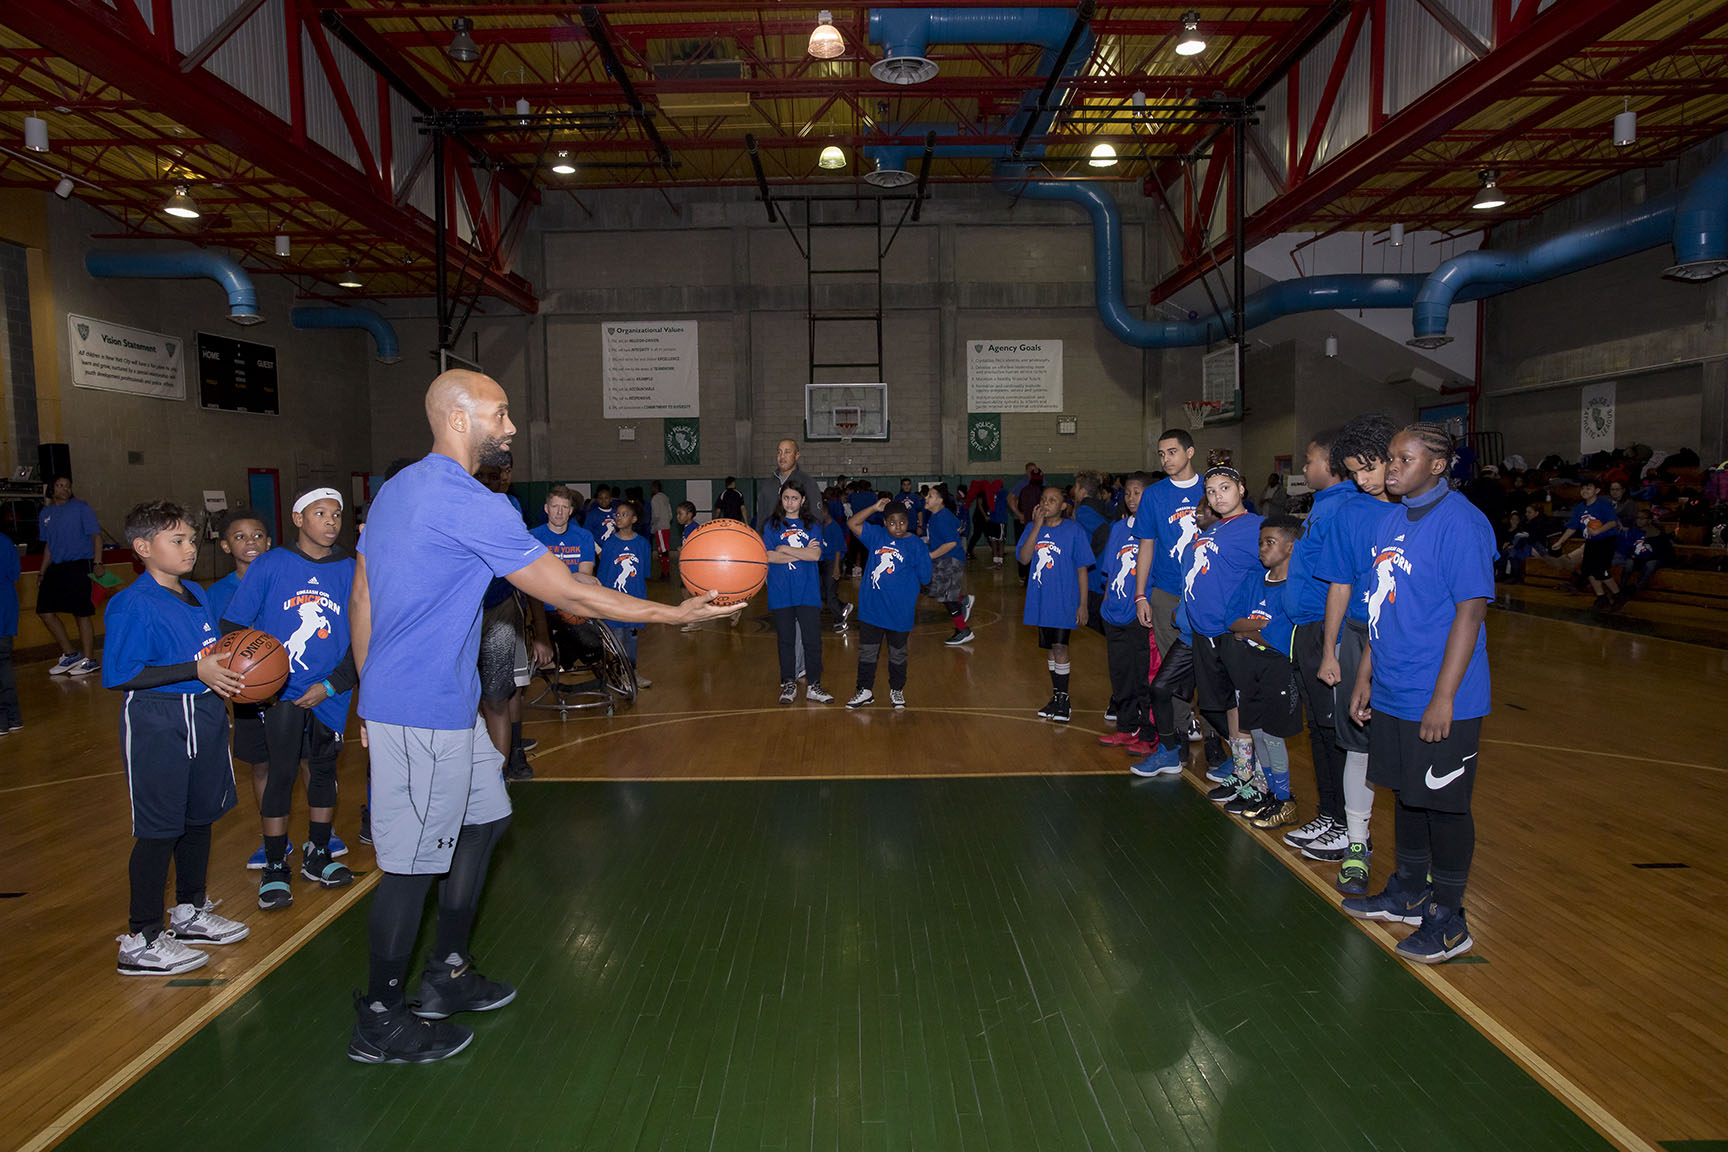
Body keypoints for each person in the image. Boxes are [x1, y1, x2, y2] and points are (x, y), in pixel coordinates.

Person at [348, 370, 734, 1063]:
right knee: (409, 867)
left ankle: (447, 974)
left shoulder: (395, 490)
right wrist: (674, 613)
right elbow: (567, 596)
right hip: (418, 708)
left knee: (488, 819)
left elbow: (363, 599)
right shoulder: (473, 502)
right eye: (500, 414)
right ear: (459, 419)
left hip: (437, 702)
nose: (511, 428)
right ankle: (378, 1017)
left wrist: (367, 692)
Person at [1342, 423, 1495, 965]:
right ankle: (1408, 890)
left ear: (1436, 465)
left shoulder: (1462, 524)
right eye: (1389, 459)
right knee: (1407, 794)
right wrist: (1365, 676)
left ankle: (1451, 919)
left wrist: (1444, 698)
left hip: (1440, 693)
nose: (1390, 468)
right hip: (1391, 687)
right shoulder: (1389, 520)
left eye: (1403, 459)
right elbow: (1381, 608)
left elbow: (1470, 613)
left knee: (1445, 806)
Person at [104, 500, 250, 975]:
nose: (190, 549)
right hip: (158, 720)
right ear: (144, 548)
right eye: (179, 541)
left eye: (191, 539)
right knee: (158, 829)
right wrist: (196, 670)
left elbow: (209, 657)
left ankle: (189, 910)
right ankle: (140, 938)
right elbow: (120, 674)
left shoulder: (197, 594)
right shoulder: (131, 603)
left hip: (204, 714)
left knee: (199, 818)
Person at [221, 488, 358, 909]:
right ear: (299, 519)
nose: (331, 521)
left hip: (329, 691)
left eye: (336, 514)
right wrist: (262, 680)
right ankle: (276, 863)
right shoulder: (271, 564)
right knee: (280, 773)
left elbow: (367, 635)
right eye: (321, 513)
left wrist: (333, 684)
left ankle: (318, 853)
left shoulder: (353, 568)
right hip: (278, 694)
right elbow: (233, 625)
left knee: (321, 772)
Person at [1312, 412, 1400, 892]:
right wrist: (1330, 650)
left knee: (1407, 744)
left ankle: (1415, 860)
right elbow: (1340, 587)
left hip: (1405, 642)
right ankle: (1357, 844)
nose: (1364, 480)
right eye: (1355, 471)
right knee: (1357, 741)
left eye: (1371, 467)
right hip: (1357, 634)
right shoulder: (1349, 513)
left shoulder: (1421, 509)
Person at [1275, 432, 1359, 855]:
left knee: (1335, 731)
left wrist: (1332, 644)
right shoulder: (1322, 507)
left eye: (1309, 461)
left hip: (1326, 635)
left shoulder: (1343, 508)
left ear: (1332, 464)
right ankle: (1329, 812)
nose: (1304, 469)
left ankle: (1347, 823)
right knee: (1320, 731)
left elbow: (1340, 584)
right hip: (1306, 631)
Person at [1133, 429, 1220, 770]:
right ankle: (1181, 736)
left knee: (1213, 670)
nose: (1166, 459)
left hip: (1210, 595)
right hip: (1168, 594)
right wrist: (1141, 594)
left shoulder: (1212, 488)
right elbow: (1146, 546)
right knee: (1173, 671)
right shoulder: (1154, 496)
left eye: (1172, 452)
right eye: (1161, 454)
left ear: (1190, 452)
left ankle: (1215, 741)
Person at [1181, 467, 1266, 812]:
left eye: (1225, 488)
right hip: (1205, 632)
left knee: (1245, 706)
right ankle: (1243, 772)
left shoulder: (1257, 527)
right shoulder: (1212, 529)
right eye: (1211, 491)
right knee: (1229, 706)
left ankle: (1261, 780)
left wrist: (1257, 622)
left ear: (1242, 488)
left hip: (1234, 633)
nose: (1218, 496)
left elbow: (1275, 572)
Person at [1219, 516, 1304, 829]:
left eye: (1270, 542)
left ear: (1291, 547)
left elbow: (1279, 637)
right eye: (1260, 542)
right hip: (1251, 666)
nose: (1262, 549)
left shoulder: (1296, 585)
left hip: (1278, 669)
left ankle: (1285, 800)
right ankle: (1270, 793)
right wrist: (1257, 628)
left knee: (1272, 735)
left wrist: (1249, 630)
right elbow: (1231, 620)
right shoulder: (1255, 580)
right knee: (1255, 732)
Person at [1017, 484, 1096, 723]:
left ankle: (1064, 699)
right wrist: (1037, 527)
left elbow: (1082, 569)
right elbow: (1024, 558)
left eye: (1052, 500)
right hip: (1041, 601)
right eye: (1043, 499)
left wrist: (1083, 604)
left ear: (1063, 506)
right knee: (1050, 649)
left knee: (1061, 647)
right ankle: (1056, 696)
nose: (1046, 503)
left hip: (1065, 600)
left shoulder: (1074, 530)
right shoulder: (1033, 528)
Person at [845, 496, 930, 709]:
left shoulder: (916, 545)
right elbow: (852, 523)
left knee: (898, 654)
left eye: (902, 522)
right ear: (884, 522)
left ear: (908, 521)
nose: (897, 527)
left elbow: (926, 577)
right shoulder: (876, 535)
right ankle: (864, 691)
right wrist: (874, 506)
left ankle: (897, 690)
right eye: (892, 522)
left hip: (900, 612)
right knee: (867, 653)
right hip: (872, 609)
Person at [1096, 473, 1157, 755]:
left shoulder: (1156, 531)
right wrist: (1107, 604)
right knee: (1120, 674)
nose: (1132, 499)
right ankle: (1125, 727)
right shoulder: (1118, 528)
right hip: (1115, 612)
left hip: (1139, 613)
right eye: (1129, 493)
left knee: (1143, 676)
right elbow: (1109, 569)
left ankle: (1148, 731)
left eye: (1138, 493)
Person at [763, 483, 832, 704]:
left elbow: (816, 555)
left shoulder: (812, 524)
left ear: (802, 500)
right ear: (780, 499)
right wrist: (802, 552)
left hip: (807, 592)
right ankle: (788, 683)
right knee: (786, 640)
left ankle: (814, 685)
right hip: (780, 592)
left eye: (794, 498)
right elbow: (768, 557)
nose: (790, 502)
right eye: (786, 497)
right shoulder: (772, 525)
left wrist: (784, 549)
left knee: (812, 641)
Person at [36, 475, 103, 677]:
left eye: (67, 486)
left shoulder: (81, 508)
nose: (64, 489)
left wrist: (97, 562)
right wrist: (42, 570)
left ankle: (90, 659)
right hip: (57, 567)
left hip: (79, 564)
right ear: (52, 489)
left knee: (81, 612)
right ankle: (70, 654)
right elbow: (49, 545)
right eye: (60, 485)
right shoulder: (46, 513)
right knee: (44, 611)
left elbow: (96, 537)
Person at [530, 486, 598, 666]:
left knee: (594, 649)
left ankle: (563, 658)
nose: (559, 512)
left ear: (571, 510)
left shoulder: (584, 536)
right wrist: (572, 576)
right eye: (555, 506)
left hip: (572, 604)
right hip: (543, 606)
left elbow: (585, 575)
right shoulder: (533, 537)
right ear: (546, 508)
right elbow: (532, 582)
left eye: (564, 507)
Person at [599, 501, 651, 681]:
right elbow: (603, 574)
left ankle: (632, 672)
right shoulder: (610, 544)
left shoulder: (643, 543)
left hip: (634, 601)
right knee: (618, 637)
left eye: (624, 514)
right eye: (617, 514)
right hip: (614, 601)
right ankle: (620, 673)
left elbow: (644, 574)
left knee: (633, 638)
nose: (619, 517)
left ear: (634, 519)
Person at [1551, 479, 1622, 611]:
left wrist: (1597, 531)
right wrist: (1560, 542)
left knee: (1601, 571)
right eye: (1583, 488)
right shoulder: (1580, 507)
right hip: (1591, 541)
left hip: (1606, 541)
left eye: (1588, 488)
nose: (1584, 491)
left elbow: (1613, 522)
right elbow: (1572, 527)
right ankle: (1601, 597)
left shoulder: (1604, 504)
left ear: (1597, 490)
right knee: (1587, 571)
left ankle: (1618, 595)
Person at [922, 483, 974, 646]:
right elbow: (958, 526)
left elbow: (951, 542)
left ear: (940, 500)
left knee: (946, 597)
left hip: (950, 559)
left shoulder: (942, 516)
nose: (926, 498)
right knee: (933, 589)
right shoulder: (940, 515)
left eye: (930, 496)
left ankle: (964, 631)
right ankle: (963, 600)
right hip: (944, 559)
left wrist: (930, 555)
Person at [1073, 471, 1112, 638]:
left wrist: (1089, 559)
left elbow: (1103, 532)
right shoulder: (1103, 505)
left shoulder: (1084, 510)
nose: (1074, 491)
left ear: (1082, 491)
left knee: (1092, 620)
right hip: (1104, 569)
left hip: (1094, 574)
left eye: (1075, 487)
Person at [756, 439, 824, 530]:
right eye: (779, 452)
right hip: (771, 542)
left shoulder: (807, 482)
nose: (782, 456)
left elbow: (817, 518)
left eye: (787, 452)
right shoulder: (767, 485)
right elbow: (761, 519)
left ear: (797, 455)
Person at [1619, 508, 1674, 601]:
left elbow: (1664, 552)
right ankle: (1621, 587)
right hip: (1638, 557)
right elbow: (1628, 546)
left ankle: (1637, 587)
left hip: (1654, 558)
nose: (1639, 520)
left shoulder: (1658, 534)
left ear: (1649, 520)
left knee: (1651, 564)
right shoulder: (1634, 532)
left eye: (1642, 518)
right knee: (1628, 562)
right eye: (1637, 518)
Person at [819, 499, 852, 633]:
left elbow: (838, 549)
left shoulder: (834, 527)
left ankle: (840, 621)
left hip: (833, 562)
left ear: (826, 513)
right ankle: (843, 606)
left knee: (830, 594)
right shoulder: (819, 526)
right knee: (822, 593)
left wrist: (837, 568)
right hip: (822, 561)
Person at [0, 526, 20, 735]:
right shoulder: (5, 541)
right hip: (6, 613)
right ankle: (13, 718)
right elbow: (14, 573)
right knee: (4, 666)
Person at [1012, 463, 1045, 584]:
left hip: (1027, 524)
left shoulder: (1024, 490)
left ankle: (1024, 576)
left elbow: (1018, 504)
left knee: (1025, 550)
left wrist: (1020, 514)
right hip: (1039, 525)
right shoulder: (1043, 491)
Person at [649, 481, 673, 581]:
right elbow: (670, 514)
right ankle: (665, 572)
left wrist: (652, 526)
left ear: (655, 488)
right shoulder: (665, 497)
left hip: (660, 528)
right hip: (666, 527)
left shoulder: (655, 499)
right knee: (664, 550)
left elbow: (656, 515)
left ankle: (665, 573)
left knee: (662, 551)